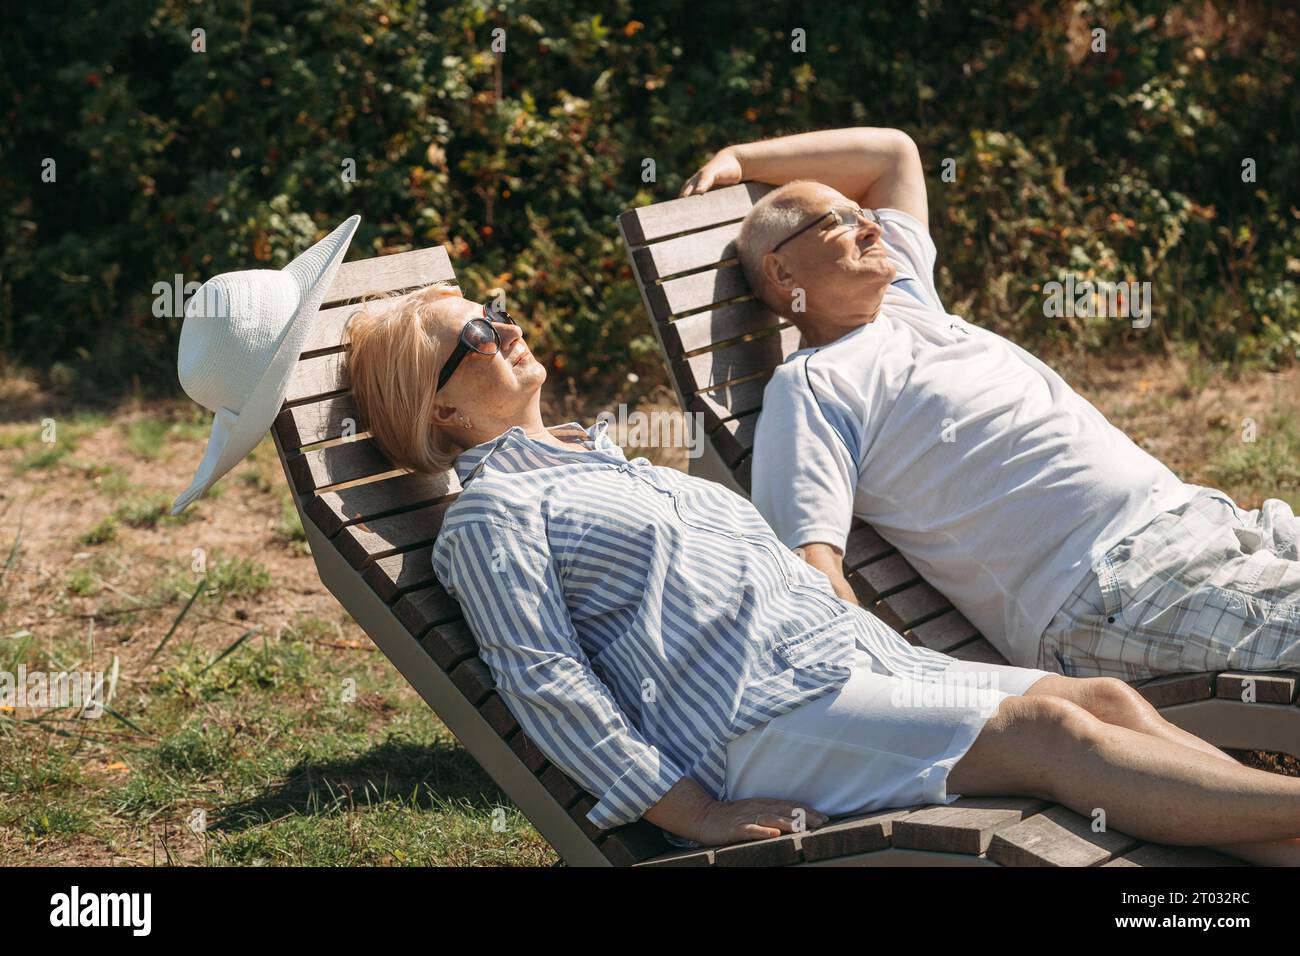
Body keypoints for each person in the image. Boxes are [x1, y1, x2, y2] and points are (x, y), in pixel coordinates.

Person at [340, 281, 1300, 862]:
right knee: (1049, 730)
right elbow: (545, 680)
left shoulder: (600, 461)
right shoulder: (494, 515)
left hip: (854, 668)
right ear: (444, 419)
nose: (505, 330)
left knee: (1107, 703)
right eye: (474, 338)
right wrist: (693, 812)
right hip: (756, 726)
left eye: (496, 311)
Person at [682, 127, 1300, 684]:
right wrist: (910, 693)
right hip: (1110, 591)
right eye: (839, 221)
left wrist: (739, 156)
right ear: (782, 270)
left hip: (1206, 520)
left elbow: (892, 153)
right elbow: (810, 567)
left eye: (862, 210)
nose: (869, 222)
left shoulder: (906, 299)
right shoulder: (815, 386)